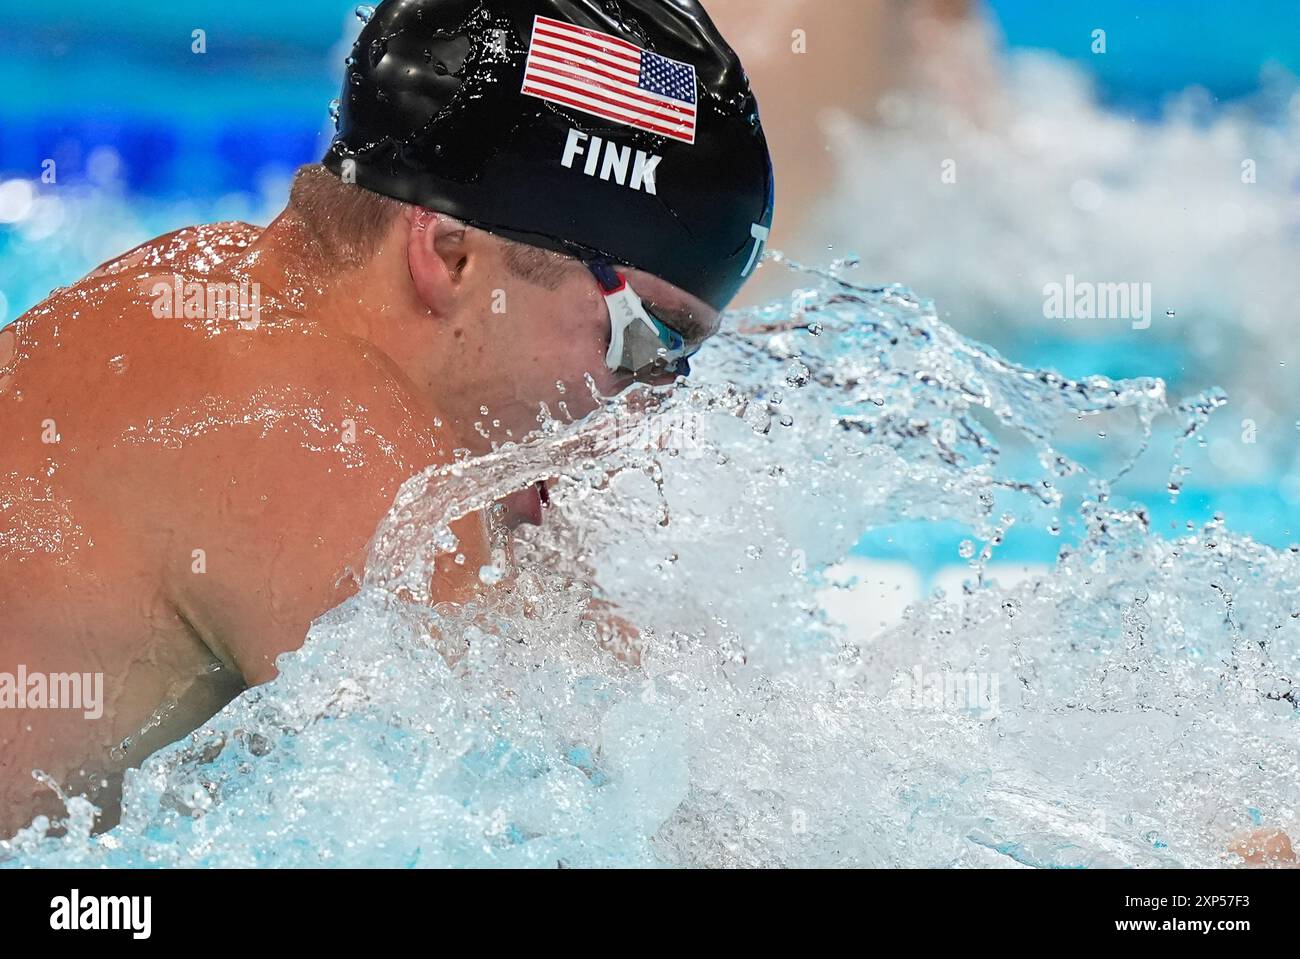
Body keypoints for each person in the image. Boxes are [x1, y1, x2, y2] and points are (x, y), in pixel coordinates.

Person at [0, 0, 773, 838]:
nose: (631, 423)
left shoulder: (203, 281)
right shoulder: (316, 425)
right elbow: (615, 828)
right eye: (644, 344)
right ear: (451, 256)